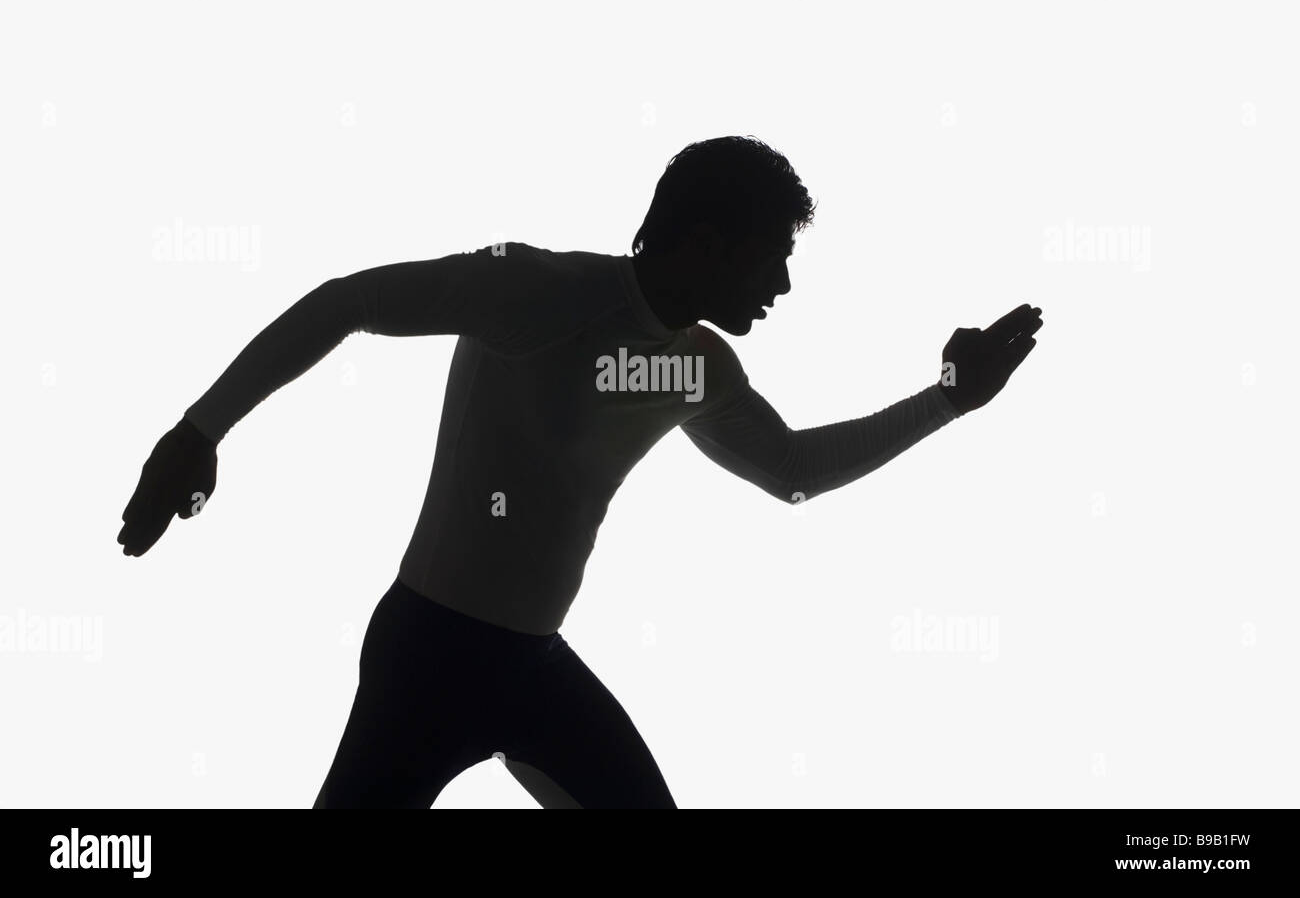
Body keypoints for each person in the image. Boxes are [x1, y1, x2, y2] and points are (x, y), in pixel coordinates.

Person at [117, 135, 1043, 808]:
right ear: (706, 243)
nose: (784, 288)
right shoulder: (534, 289)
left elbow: (793, 468)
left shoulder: (696, 367)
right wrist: (198, 432)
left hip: (531, 665)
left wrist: (949, 399)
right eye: (773, 259)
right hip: (428, 657)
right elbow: (348, 302)